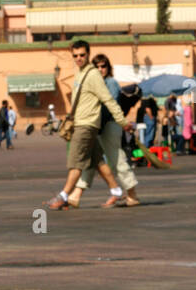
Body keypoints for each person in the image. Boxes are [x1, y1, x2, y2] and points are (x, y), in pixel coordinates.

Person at [48, 39, 133, 210]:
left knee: (76, 162)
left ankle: (63, 195)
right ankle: (116, 190)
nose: (79, 58)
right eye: (75, 55)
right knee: (98, 162)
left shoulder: (93, 75)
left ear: (88, 54)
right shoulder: (80, 73)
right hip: (81, 123)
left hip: (86, 126)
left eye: (82, 55)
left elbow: (108, 100)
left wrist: (123, 122)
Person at [67, 55, 140, 208]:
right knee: (92, 160)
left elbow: (109, 105)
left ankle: (132, 195)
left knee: (116, 160)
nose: (101, 69)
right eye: (97, 66)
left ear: (108, 68)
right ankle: (76, 194)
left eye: (103, 66)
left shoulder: (111, 83)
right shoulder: (93, 80)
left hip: (108, 125)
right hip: (96, 125)